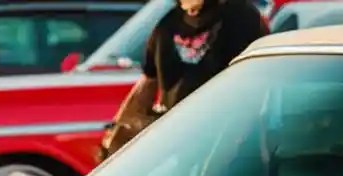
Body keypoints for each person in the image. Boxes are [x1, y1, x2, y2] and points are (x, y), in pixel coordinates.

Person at [103, 0, 266, 157]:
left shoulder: (241, 18)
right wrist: (114, 135)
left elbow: (257, 87)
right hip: (178, 146)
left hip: (227, 143)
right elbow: (147, 83)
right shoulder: (166, 26)